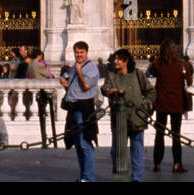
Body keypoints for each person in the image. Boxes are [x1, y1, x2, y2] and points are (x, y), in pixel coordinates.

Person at [103, 48, 154, 181]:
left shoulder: (138, 74)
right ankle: (118, 174)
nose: (115, 61)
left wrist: (145, 104)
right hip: (119, 119)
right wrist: (110, 91)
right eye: (115, 58)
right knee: (116, 150)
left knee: (137, 149)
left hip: (137, 117)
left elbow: (150, 91)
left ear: (125, 61)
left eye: (118, 59)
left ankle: (136, 177)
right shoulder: (111, 75)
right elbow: (105, 88)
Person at [149, 38, 192, 173]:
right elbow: (189, 82)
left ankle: (157, 164)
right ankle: (177, 163)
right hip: (176, 103)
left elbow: (152, 71)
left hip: (161, 103)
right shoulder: (182, 65)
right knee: (176, 134)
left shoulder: (157, 64)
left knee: (159, 134)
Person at [60, 41, 100, 182]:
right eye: (77, 52)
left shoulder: (92, 69)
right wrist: (65, 85)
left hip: (84, 109)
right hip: (73, 109)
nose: (79, 55)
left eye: (81, 52)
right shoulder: (72, 68)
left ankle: (88, 178)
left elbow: (86, 86)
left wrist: (78, 72)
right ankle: (83, 176)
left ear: (87, 53)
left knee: (85, 143)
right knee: (77, 144)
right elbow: (73, 89)